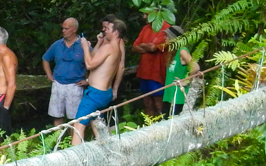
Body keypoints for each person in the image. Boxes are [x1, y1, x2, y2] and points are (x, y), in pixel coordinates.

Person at [71, 17, 126, 145]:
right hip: (104, 93)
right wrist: (98, 43)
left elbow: (89, 64)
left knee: (78, 125)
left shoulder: (108, 48)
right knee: (96, 122)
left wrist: (84, 47)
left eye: (107, 29)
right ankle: (106, 148)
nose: (104, 31)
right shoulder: (116, 48)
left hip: (95, 94)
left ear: (116, 32)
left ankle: (75, 160)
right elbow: (95, 57)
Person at [41, 17, 87, 127]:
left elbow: (94, 63)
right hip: (58, 84)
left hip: (75, 85)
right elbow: (45, 59)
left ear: (74, 29)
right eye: (63, 28)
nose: (63, 31)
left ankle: (74, 142)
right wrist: (49, 74)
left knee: (75, 118)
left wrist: (88, 80)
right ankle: (58, 141)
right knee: (57, 116)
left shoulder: (83, 45)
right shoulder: (57, 44)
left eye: (66, 29)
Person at [132, 13, 170, 117]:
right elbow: (134, 47)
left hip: (156, 73)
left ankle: (163, 126)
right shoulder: (146, 28)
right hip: (144, 72)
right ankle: (150, 127)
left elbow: (153, 48)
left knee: (158, 103)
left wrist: (143, 45)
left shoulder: (165, 28)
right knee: (147, 103)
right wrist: (147, 47)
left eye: (147, 14)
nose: (144, 17)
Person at [161, 25, 200, 117]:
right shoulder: (172, 52)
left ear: (174, 38)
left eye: (167, 36)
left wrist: (186, 81)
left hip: (178, 97)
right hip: (168, 95)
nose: (165, 38)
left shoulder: (182, 50)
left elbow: (195, 67)